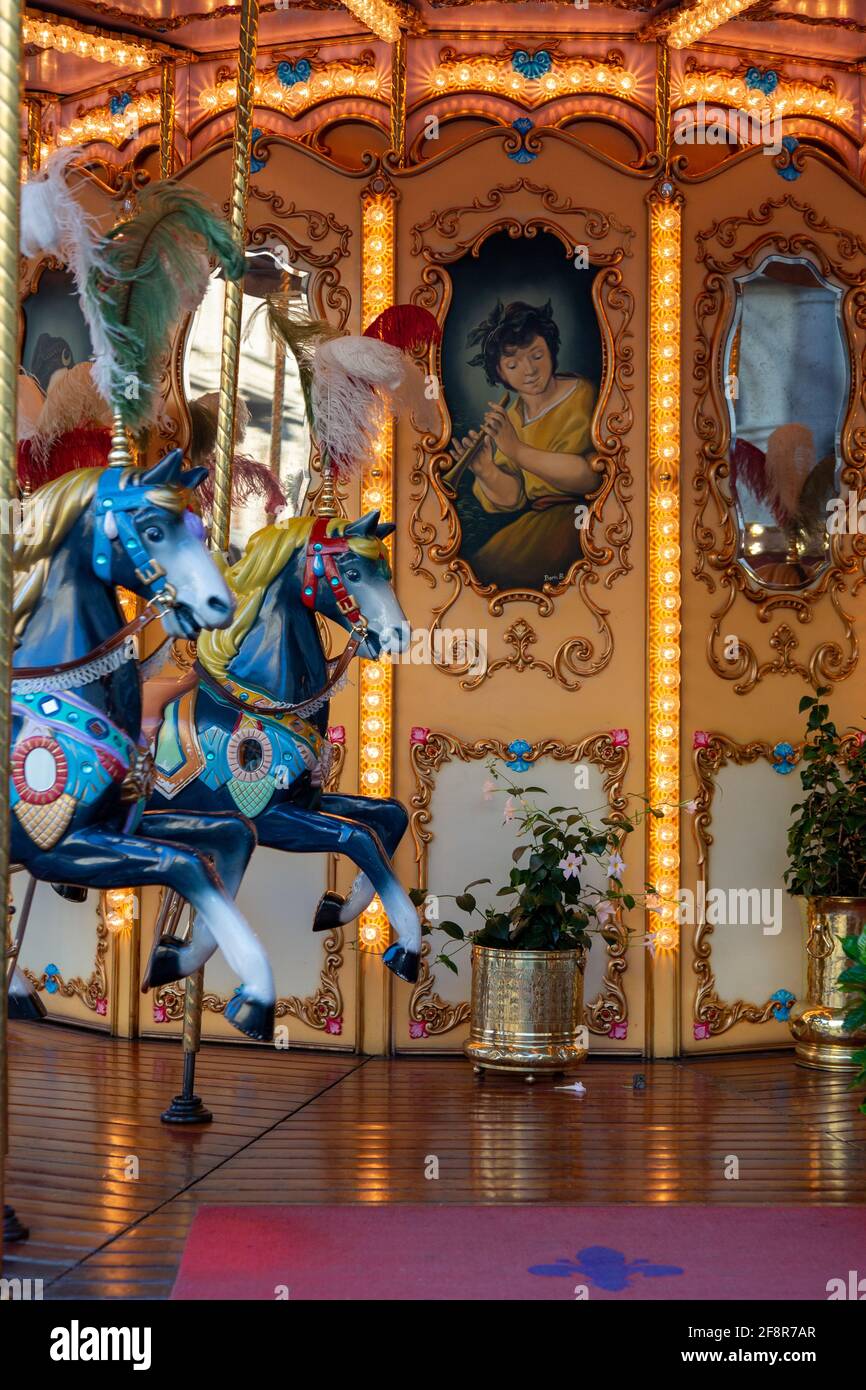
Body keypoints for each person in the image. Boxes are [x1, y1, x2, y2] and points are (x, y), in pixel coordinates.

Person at [449, 299, 598, 589]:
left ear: (552, 352)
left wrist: (516, 449)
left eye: (537, 355)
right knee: (484, 568)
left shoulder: (584, 397)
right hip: (536, 524)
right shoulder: (512, 418)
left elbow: (589, 477)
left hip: (580, 524)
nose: (528, 370)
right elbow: (512, 498)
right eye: (513, 364)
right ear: (500, 373)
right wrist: (486, 470)